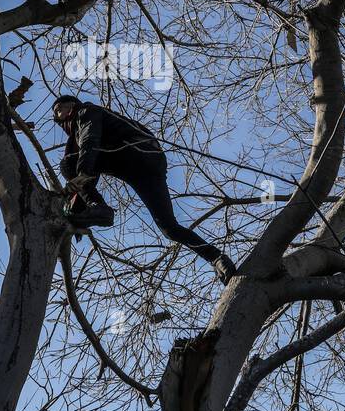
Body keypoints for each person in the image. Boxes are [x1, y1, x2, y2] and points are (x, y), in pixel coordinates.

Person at [52, 94, 236, 282]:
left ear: (71, 106)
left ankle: (99, 207)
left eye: (59, 109)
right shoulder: (84, 125)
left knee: (69, 164)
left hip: (133, 153)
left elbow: (90, 140)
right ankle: (217, 258)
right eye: (56, 114)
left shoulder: (86, 112)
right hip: (149, 164)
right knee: (169, 228)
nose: (58, 116)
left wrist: (82, 174)